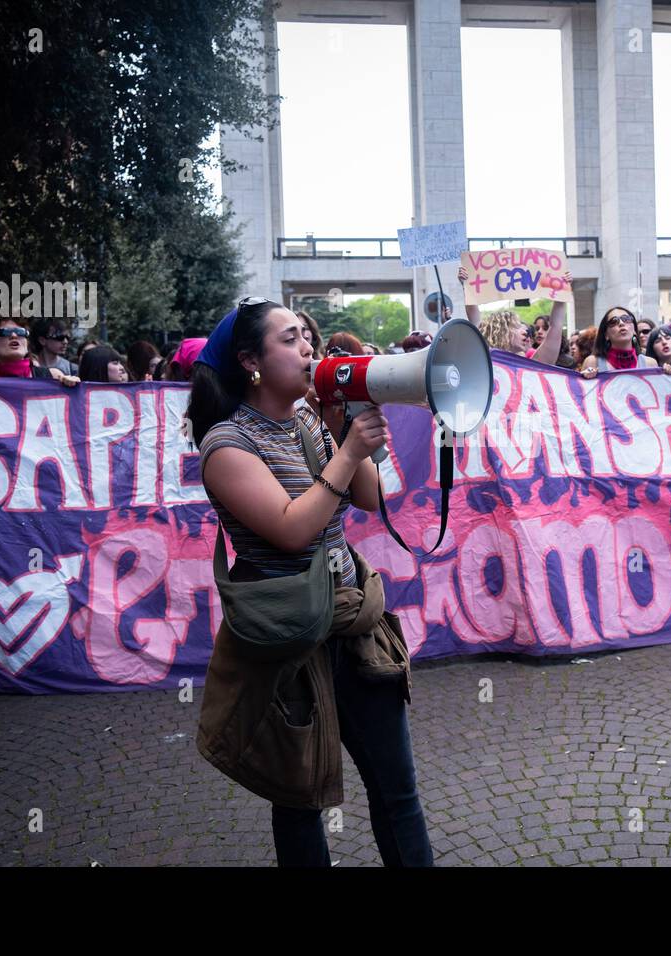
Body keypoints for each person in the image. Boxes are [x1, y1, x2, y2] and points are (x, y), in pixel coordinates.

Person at [189, 298, 433, 868]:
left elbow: (371, 499)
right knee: (300, 802)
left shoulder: (306, 422)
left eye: (307, 336)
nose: (308, 348)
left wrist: (344, 428)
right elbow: (292, 530)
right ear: (251, 361)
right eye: (291, 338)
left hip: (351, 626)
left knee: (398, 791)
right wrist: (345, 452)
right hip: (288, 642)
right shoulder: (227, 446)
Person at [0, 316, 81, 384]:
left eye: (21, 332)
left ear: (27, 343)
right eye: (4, 332)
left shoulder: (52, 377)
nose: (14, 335)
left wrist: (73, 388)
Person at [580, 307, 671, 378]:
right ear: (606, 335)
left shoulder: (650, 363)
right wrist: (584, 379)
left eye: (626, 319)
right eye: (613, 321)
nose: (621, 323)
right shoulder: (593, 362)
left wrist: (669, 376)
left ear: (635, 331)